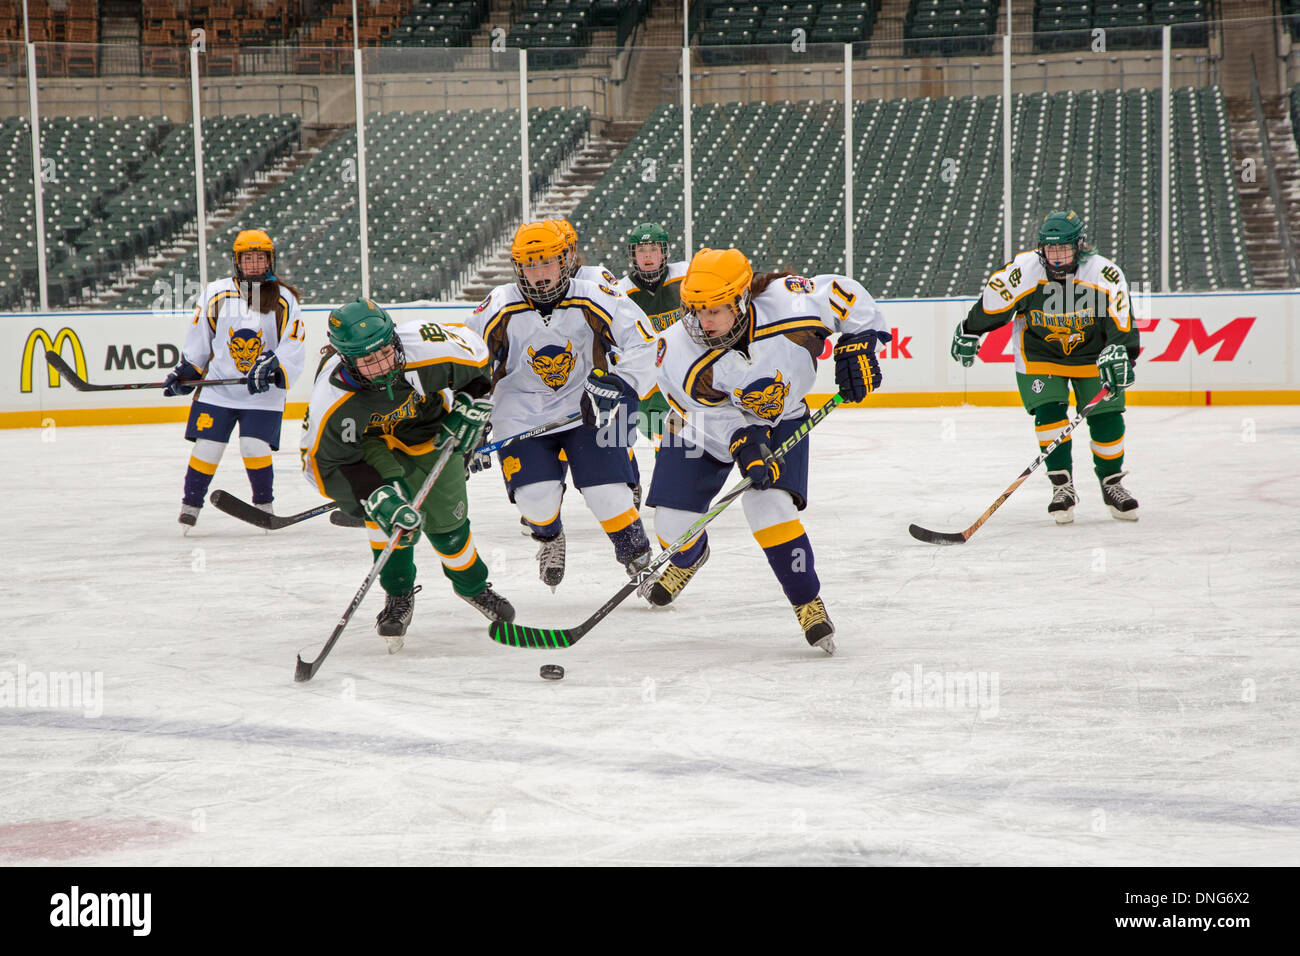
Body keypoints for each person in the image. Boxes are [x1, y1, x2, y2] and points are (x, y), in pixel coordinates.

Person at [625, 248, 891, 655]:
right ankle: (688, 558)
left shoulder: (789, 303)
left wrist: (860, 343)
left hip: (782, 417)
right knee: (672, 527)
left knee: (768, 507)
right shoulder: (677, 347)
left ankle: (807, 601)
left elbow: (847, 294)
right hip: (703, 429)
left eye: (715, 310)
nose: (703, 322)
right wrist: (741, 439)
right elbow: (695, 411)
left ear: (741, 300)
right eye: (696, 310)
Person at [300, 298, 514, 648]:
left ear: (395, 340)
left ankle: (473, 587)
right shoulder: (331, 398)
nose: (383, 365)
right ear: (347, 361)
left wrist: (470, 404)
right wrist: (372, 496)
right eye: (368, 361)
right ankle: (398, 595)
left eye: (386, 352)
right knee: (394, 517)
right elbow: (321, 465)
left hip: (430, 432)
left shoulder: (425, 347)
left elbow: (477, 359)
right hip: (371, 446)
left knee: (450, 527)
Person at [464, 220, 656, 590]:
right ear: (518, 268)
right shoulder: (498, 306)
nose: (538, 274)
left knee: (610, 495)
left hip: (587, 407)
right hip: (519, 414)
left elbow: (646, 344)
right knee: (535, 501)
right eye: (530, 265)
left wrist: (615, 384)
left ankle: (639, 560)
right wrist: (467, 423)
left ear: (566, 258)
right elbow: (465, 366)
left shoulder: (596, 294)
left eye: (546, 263)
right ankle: (550, 537)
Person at [951, 210, 1140, 523]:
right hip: (1040, 353)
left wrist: (1121, 350)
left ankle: (1111, 483)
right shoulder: (1023, 271)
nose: (1055, 257)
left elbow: (1122, 321)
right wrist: (972, 328)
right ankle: (1062, 487)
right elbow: (994, 304)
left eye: (1063, 249)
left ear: (1080, 245)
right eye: (1050, 250)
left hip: (1092, 355)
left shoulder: (1104, 274)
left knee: (1107, 418)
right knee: (1049, 414)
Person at [163, 229, 306, 529]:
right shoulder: (216, 292)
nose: (254, 264)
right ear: (237, 261)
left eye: (260, 257)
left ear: (270, 261)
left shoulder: (284, 299)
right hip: (220, 390)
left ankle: (264, 507)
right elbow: (201, 339)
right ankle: (190, 506)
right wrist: (187, 370)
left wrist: (275, 368)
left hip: (262, 393)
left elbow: (294, 343)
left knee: (254, 446)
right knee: (207, 447)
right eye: (247, 258)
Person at [616, 221, 689, 450]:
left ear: (664, 252)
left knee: (675, 440)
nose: (647, 256)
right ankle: (636, 481)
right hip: (647, 379)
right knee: (651, 435)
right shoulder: (620, 292)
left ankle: (671, 478)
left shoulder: (685, 276)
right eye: (641, 250)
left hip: (682, 374)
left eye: (653, 249)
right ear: (633, 255)